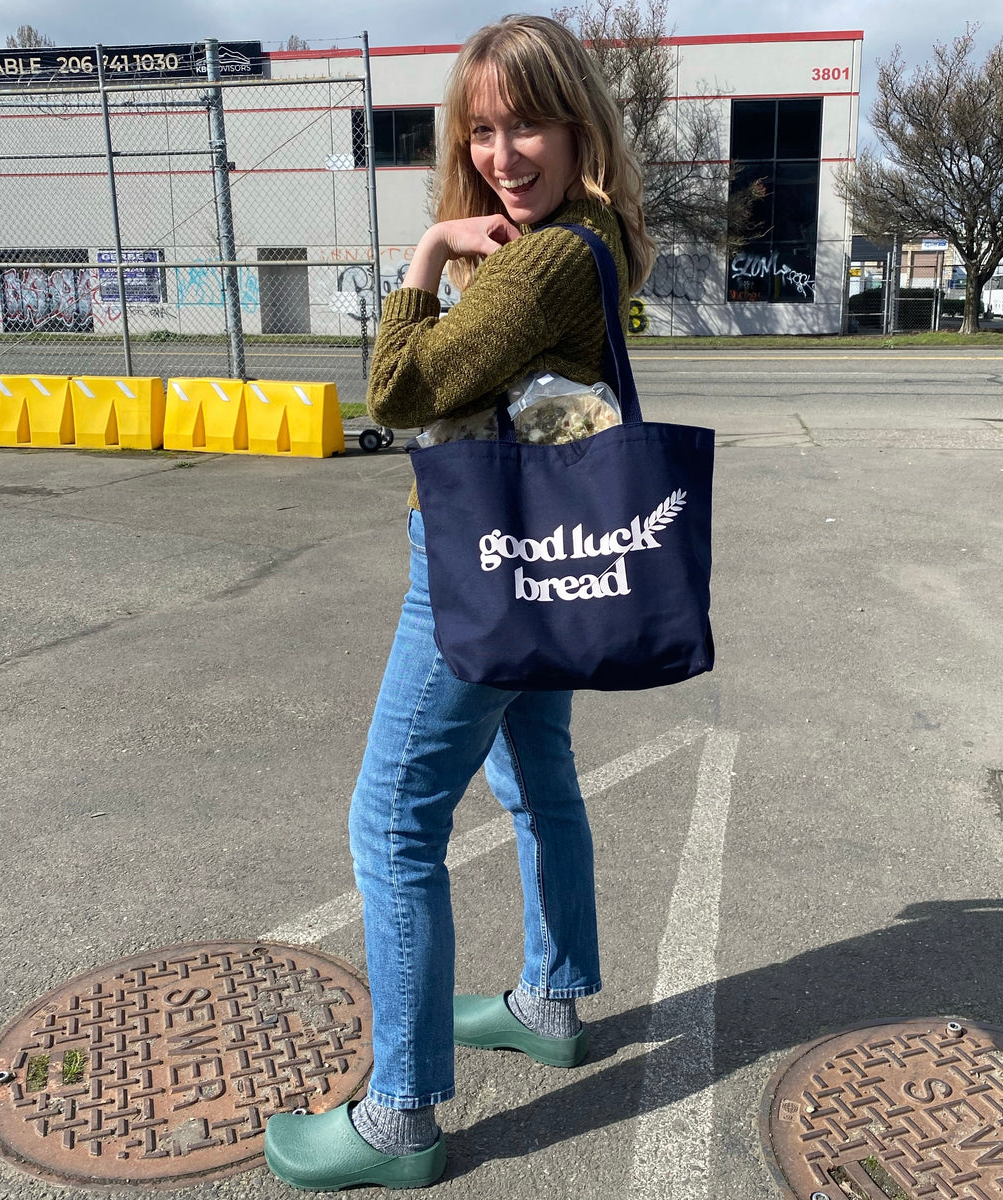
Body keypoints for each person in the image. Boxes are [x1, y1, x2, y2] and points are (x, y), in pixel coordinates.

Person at [264, 13, 655, 1192]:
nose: (502, 152)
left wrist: (427, 255)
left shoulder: (533, 260)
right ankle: (549, 996)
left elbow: (397, 387)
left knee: (390, 822)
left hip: (480, 568)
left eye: (527, 121)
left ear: (579, 121)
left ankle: (401, 1116)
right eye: (481, 129)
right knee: (537, 776)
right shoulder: (590, 239)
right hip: (540, 562)